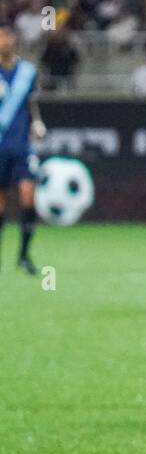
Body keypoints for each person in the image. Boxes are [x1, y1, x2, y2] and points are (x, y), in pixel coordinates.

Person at [0, 23, 45, 275]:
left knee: (28, 194)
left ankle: (24, 255)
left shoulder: (27, 72)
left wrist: (37, 122)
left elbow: (31, 104)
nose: (4, 41)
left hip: (21, 146)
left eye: (7, 37)